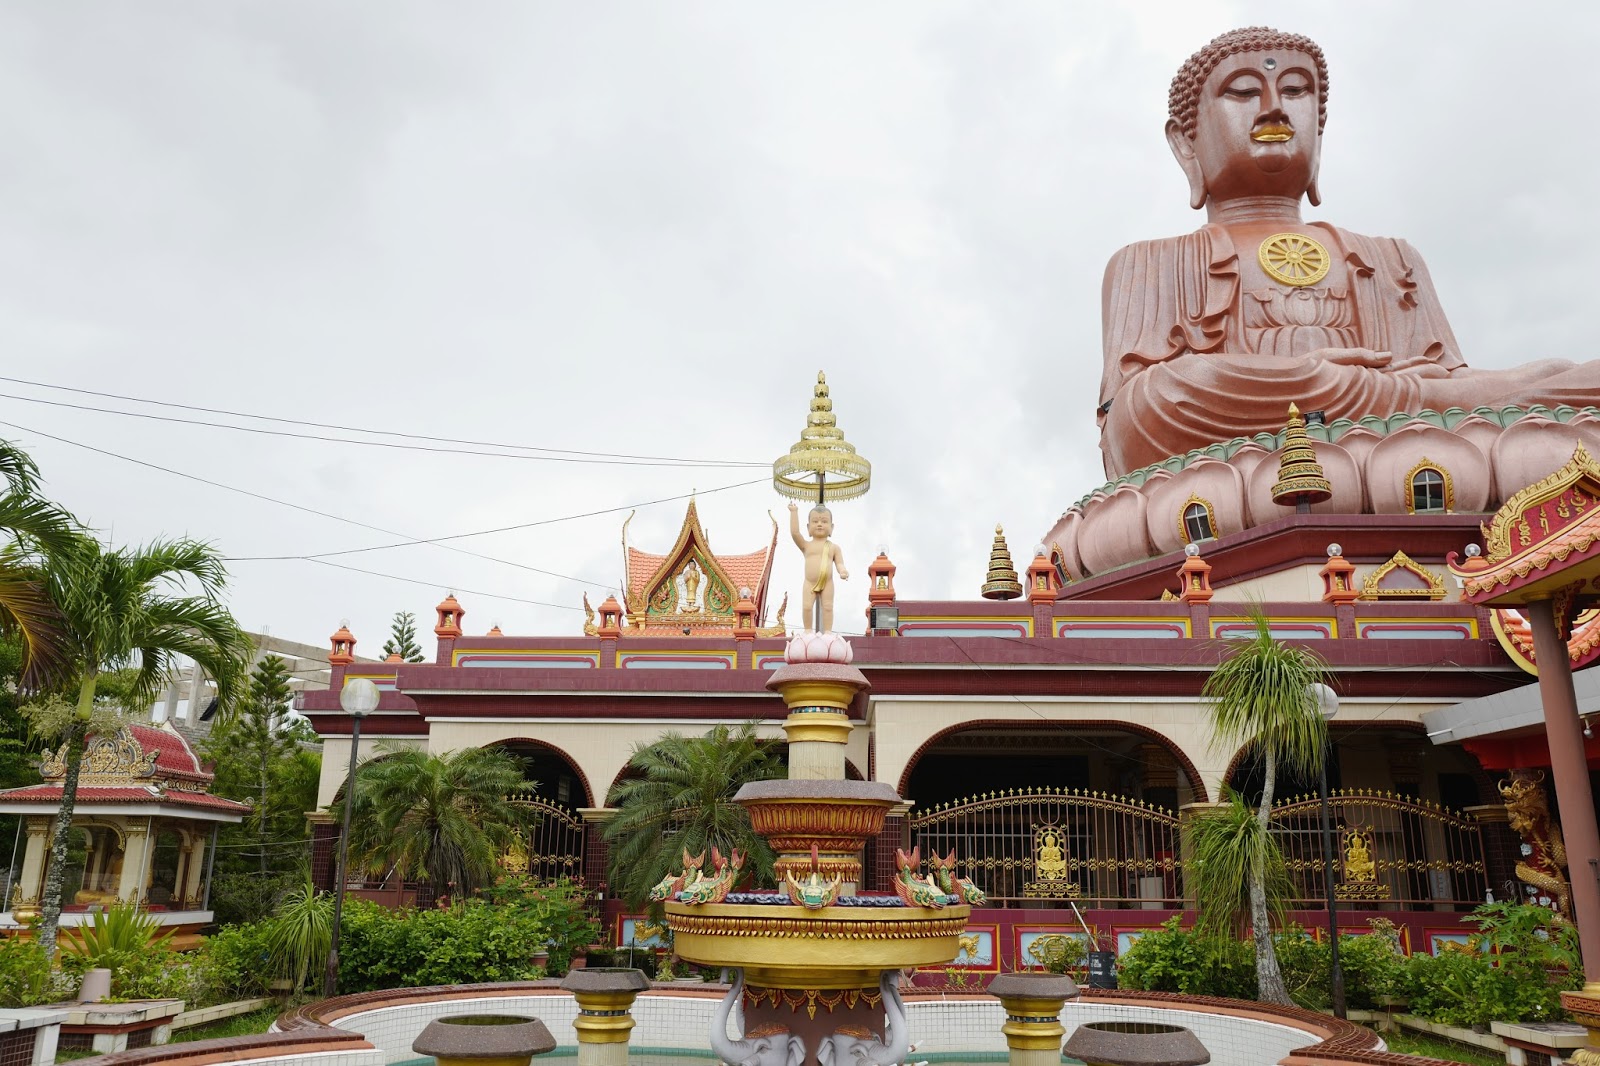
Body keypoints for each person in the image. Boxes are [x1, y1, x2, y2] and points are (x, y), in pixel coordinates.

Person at [1097, 27, 1600, 480]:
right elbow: (1130, 425)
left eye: (1296, 91)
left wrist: (1455, 390)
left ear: (1319, 130)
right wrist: (1322, 379)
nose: (1273, 109)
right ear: (1185, 142)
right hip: (1243, 461)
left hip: (1403, 448)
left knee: (1568, 381)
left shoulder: (1391, 257)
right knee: (1164, 390)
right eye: (1245, 92)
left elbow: (1454, 382)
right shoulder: (1147, 262)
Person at [789, 501, 849, 632]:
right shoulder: (806, 545)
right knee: (806, 607)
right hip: (809, 582)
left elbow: (839, 563)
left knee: (828, 607)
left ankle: (828, 632)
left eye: (824, 521)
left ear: (832, 527)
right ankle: (808, 631)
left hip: (828, 582)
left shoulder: (834, 548)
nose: (820, 524)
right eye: (815, 521)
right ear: (808, 527)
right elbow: (795, 533)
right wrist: (794, 512)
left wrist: (842, 571)